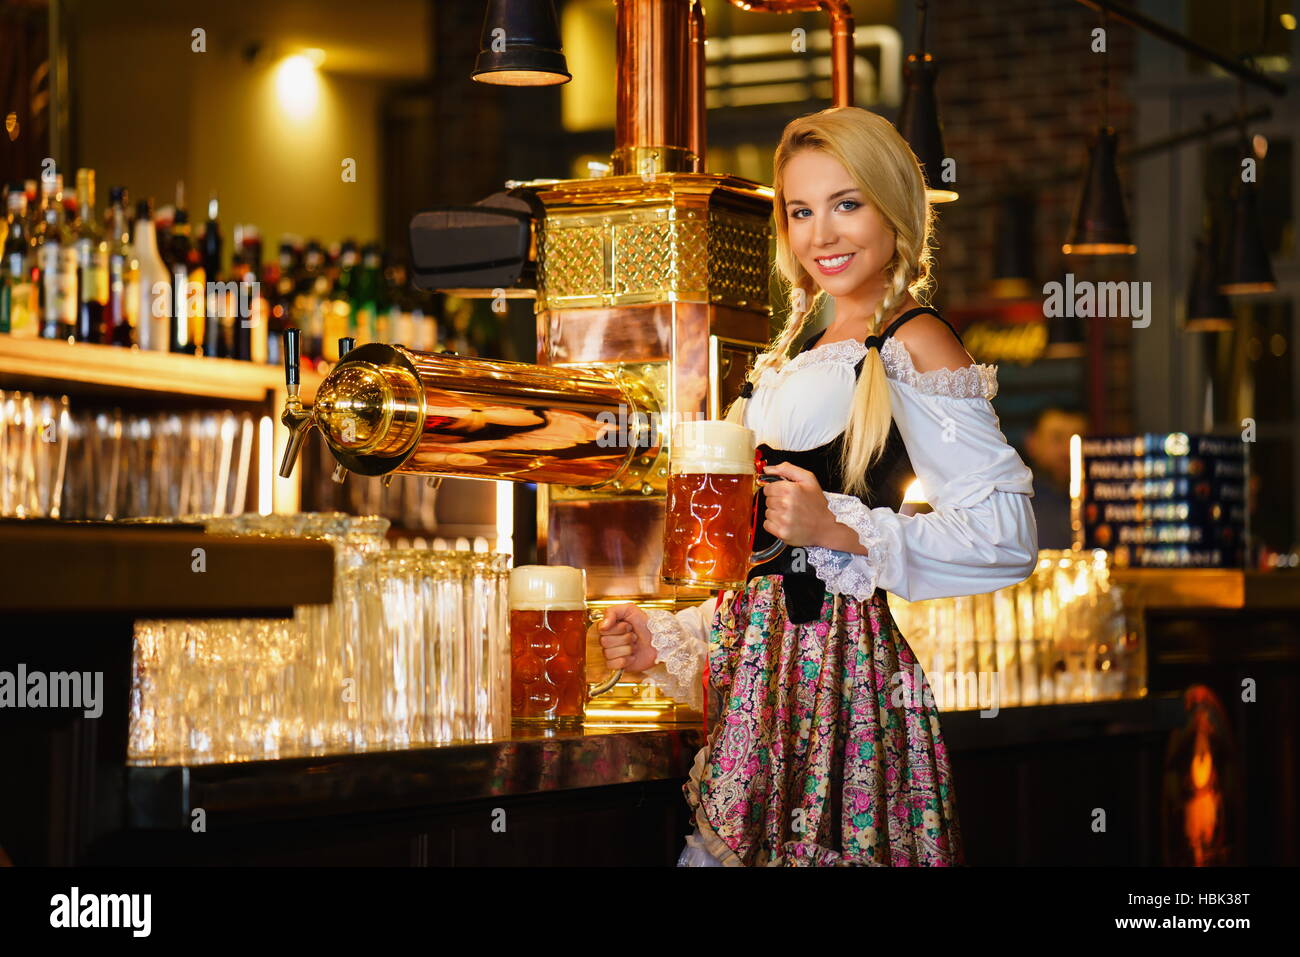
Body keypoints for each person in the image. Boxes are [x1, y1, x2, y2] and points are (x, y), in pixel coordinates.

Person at [593, 107, 1038, 867]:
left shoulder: (913, 342)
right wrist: (661, 640)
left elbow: (1008, 536)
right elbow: (764, 581)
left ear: (894, 206)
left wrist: (841, 527)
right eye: (801, 211)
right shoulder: (789, 354)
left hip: (848, 706)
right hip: (757, 703)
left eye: (847, 204)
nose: (822, 234)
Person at [1022, 405, 1088, 550]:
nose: (1068, 451)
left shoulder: (1099, 505)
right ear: (1032, 443)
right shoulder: (1014, 504)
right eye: (1057, 439)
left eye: (1078, 440)